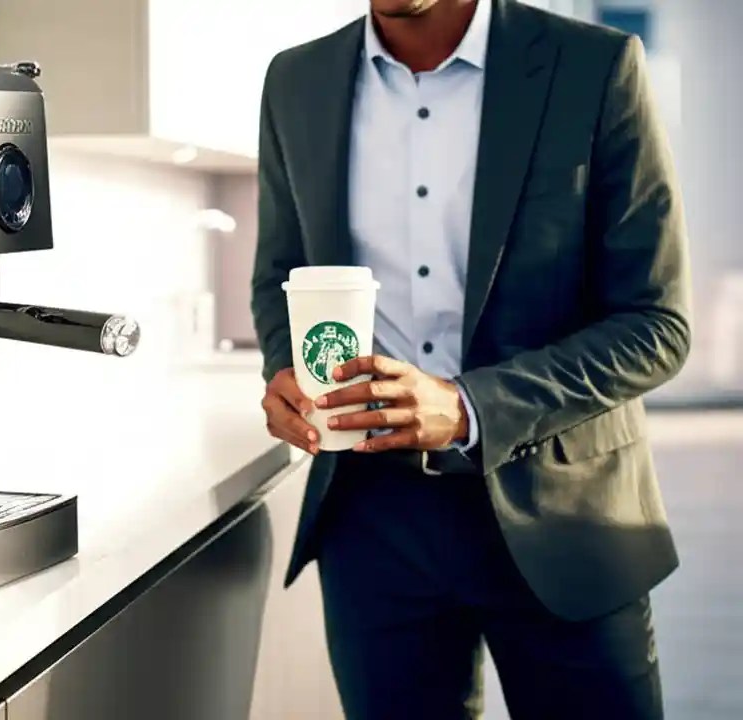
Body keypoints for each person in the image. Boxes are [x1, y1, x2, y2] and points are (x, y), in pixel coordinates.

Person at [250, 0, 690, 717]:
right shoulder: (297, 80)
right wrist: (289, 369)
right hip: (372, 522)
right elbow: (282, 275)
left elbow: (656, 321)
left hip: (567, 511)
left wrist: (467, 407)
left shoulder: (596, 66)